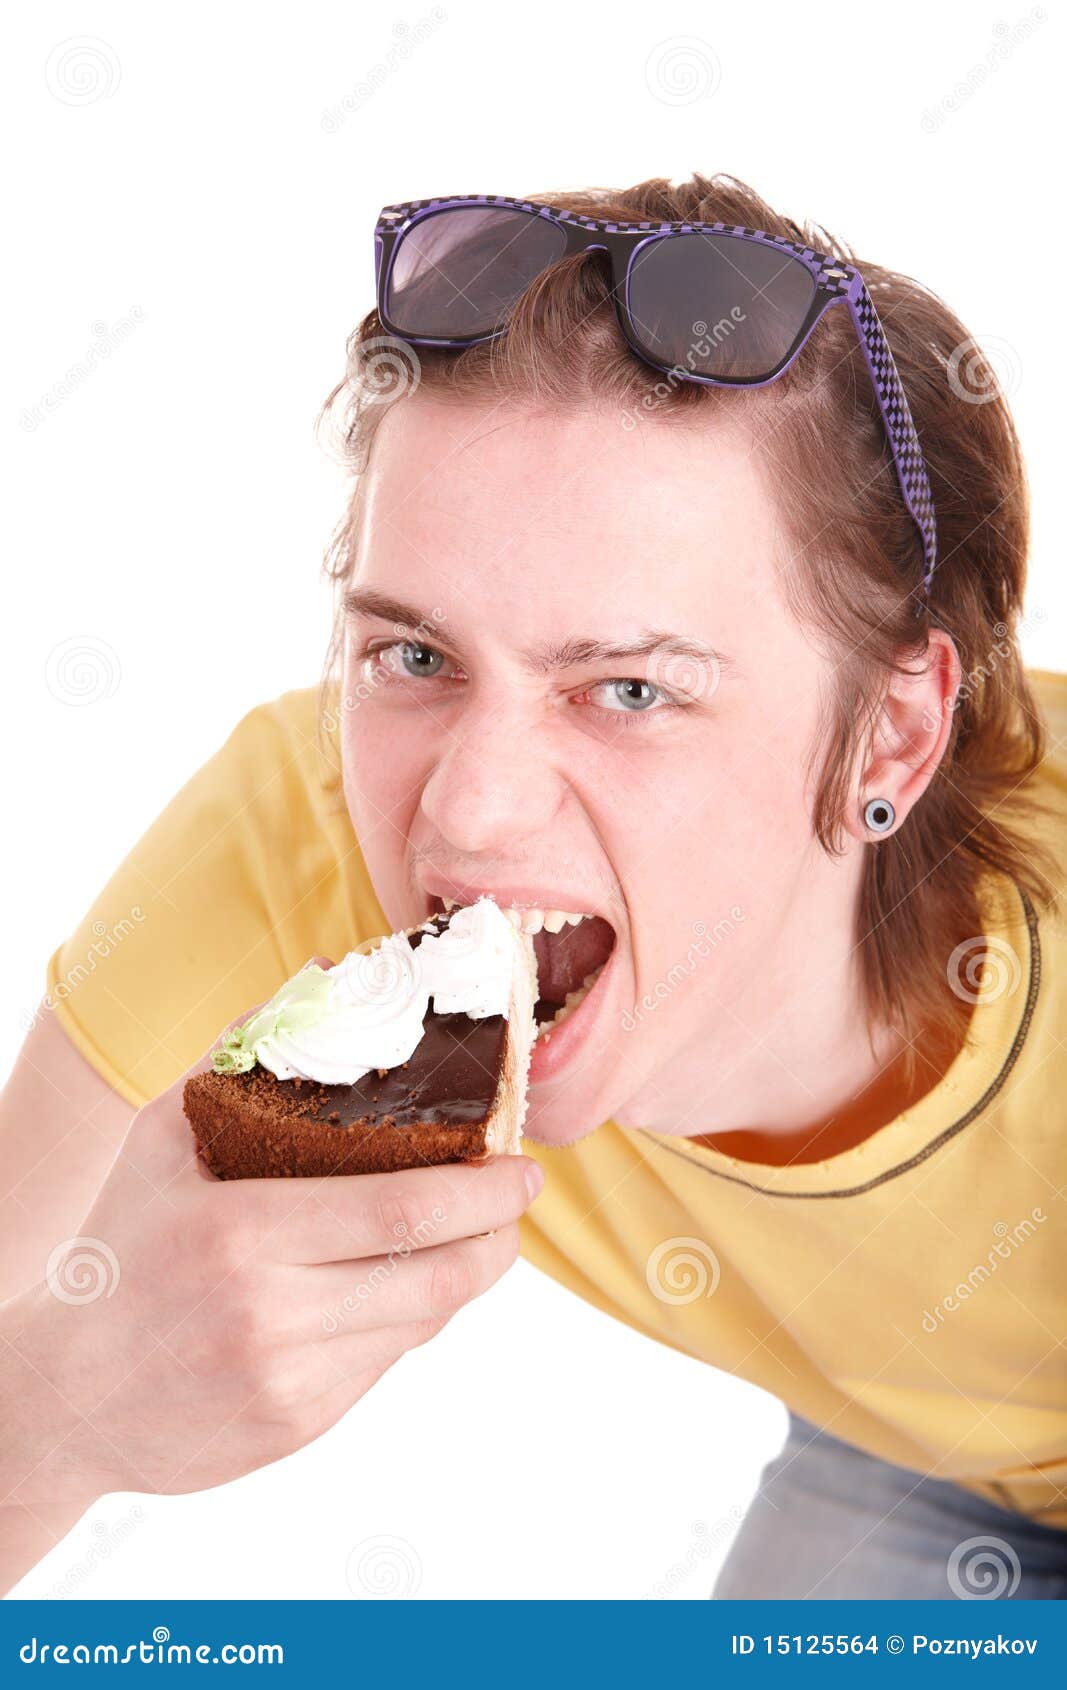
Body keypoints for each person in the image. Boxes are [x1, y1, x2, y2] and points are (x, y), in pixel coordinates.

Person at [2, 172, 1065, 1599]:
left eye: (628, 688)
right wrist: (53, 1418)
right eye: (416, 658)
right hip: (924, 1443)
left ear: (891, 732)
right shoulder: (291, 836)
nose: (465, 809)